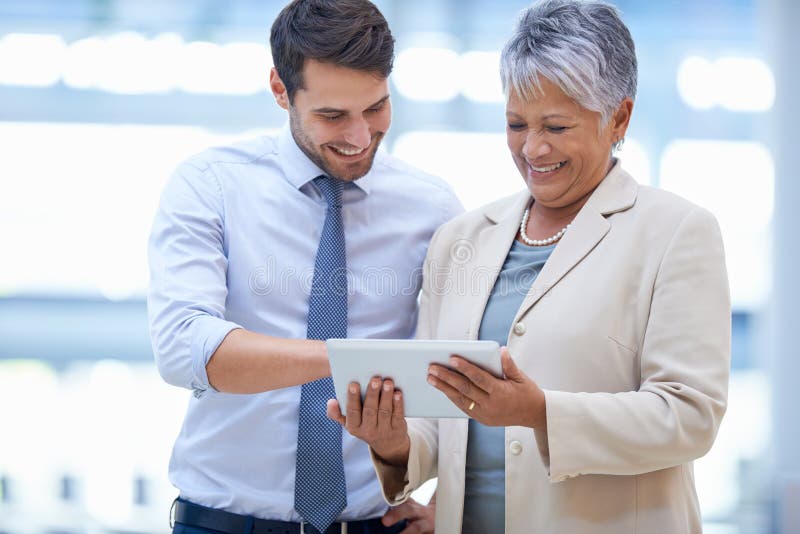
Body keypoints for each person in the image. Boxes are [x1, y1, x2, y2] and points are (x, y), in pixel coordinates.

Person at [329, 0, 731, 532]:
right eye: (517, 124)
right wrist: (393, 440)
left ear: (620, 118)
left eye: (557, 126)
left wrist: (540, 412)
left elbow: (690, 417)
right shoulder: (461, 240)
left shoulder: (677, 232)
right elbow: (439, 421)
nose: (533, 148)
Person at [147, 0, 462, 532]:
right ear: (280, 90)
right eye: (333, 115)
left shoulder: (431, 208)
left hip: (369, 523)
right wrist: (344, 359)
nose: (360, 137)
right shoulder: (211, 186)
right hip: (223, 522)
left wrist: (451, 506)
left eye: (377, 107)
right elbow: (184, 347)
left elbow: (464, 369)